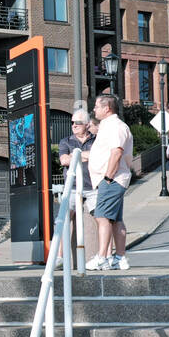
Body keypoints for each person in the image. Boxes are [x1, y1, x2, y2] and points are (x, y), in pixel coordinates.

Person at [86, 93, 133, 271]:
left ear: (107, 108)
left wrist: (107, 177)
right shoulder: (108, 126)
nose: (94, 109)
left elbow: (117, 152)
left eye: (97, 106)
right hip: (112, 179)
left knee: (102, 217)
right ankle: (119, 258)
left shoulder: (115, 126)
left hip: (111, 179)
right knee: (115, 219)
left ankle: (102, 257)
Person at [58, 109, 96, 264]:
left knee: (102, 219)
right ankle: (59, 257)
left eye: (78, 122)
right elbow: (64, 161)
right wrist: (86, 155)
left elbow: (99, 156)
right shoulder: (65, 141)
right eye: (72, 122)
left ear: (87, 124)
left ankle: (102, 256)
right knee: (64, 219)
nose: (74, 125)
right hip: (72, 187)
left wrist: (76, 155)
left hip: (94, 187)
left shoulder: (97, 140)